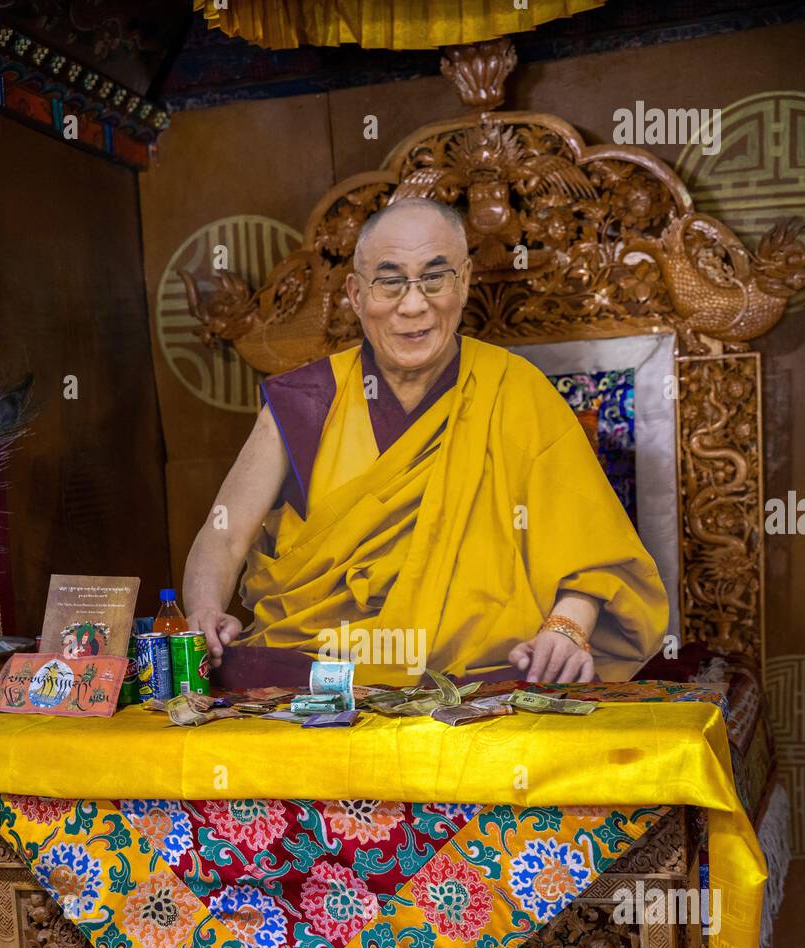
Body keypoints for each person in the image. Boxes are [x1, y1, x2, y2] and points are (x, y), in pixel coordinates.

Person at [183, 199, 668, 685]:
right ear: (355, 293)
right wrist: (204, 611)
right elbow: (224, 534)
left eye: (435, 278)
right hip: (320, 671)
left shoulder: (517, 392)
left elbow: (593, 560)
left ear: (464, 280)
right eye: (389, 281)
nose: (413, 305)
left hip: (481, 674)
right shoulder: (302, 402)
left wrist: (565, 630)